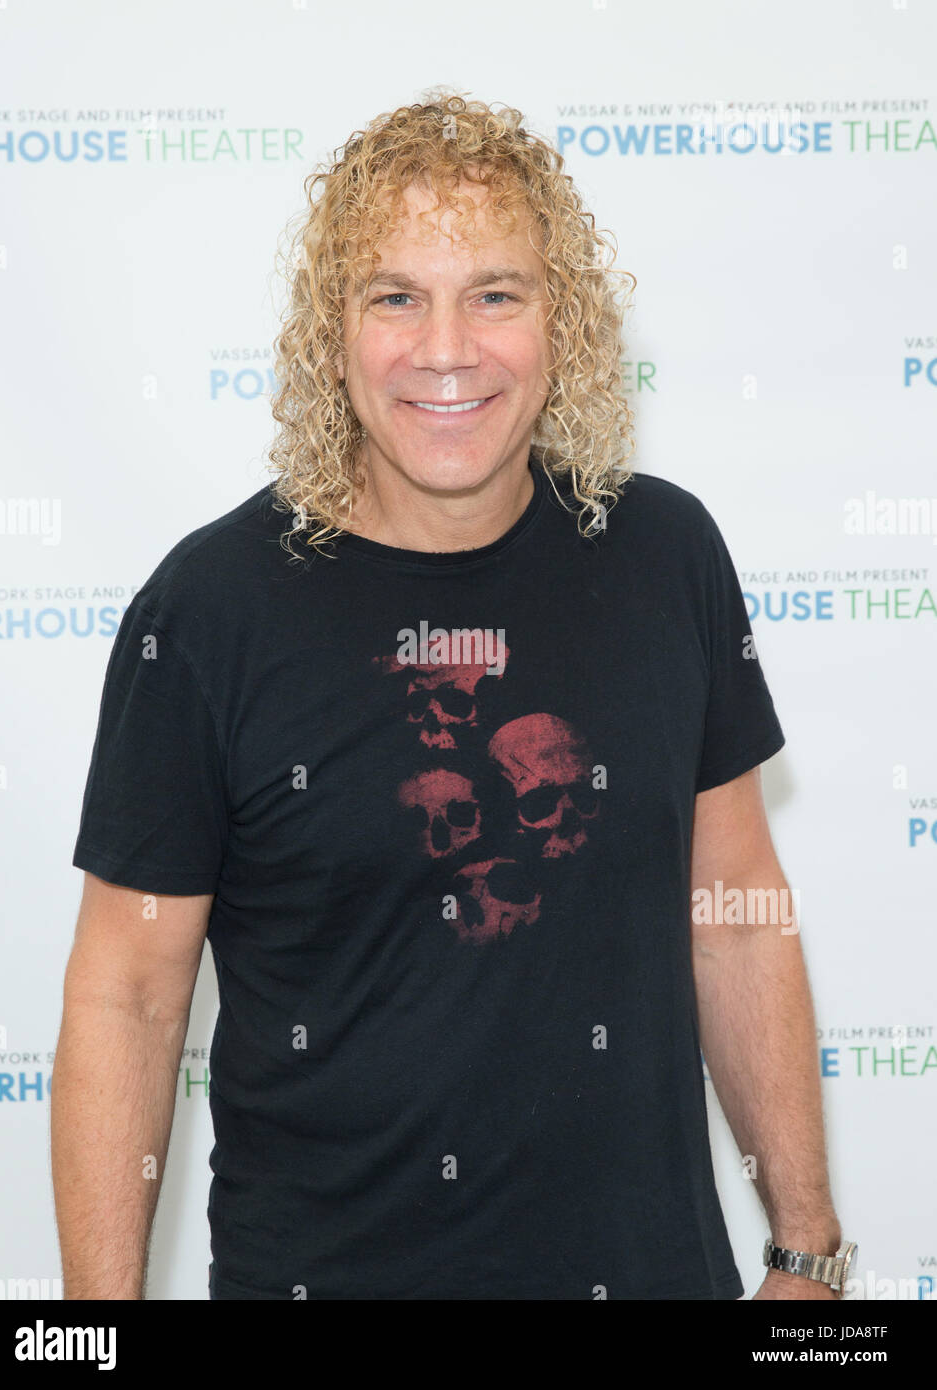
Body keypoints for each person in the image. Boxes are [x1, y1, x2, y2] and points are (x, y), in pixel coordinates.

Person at [51, 92, 850, 1301]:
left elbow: (733, 912)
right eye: (395, 297)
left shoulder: (666, 555)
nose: (446, 349)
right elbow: (127, 996)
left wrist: (806, 1255)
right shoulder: (209, 613)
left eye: (494, 293)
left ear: (562, 322)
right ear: (335, 333)